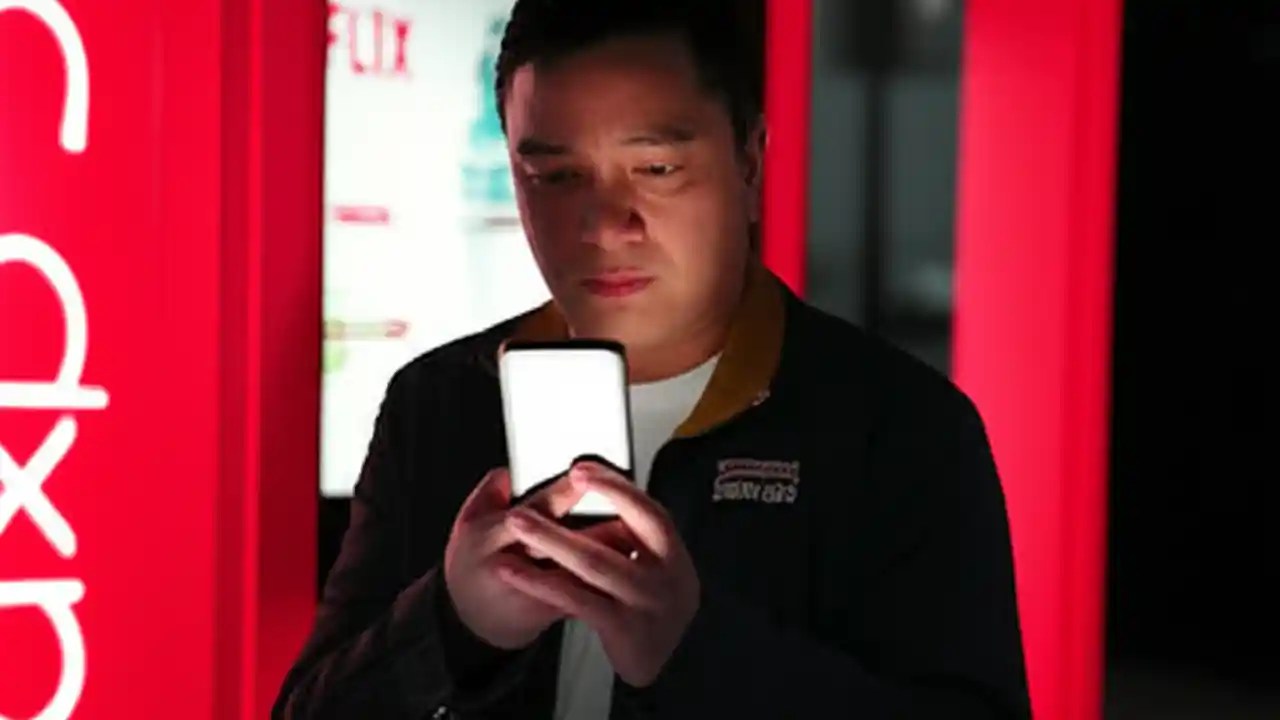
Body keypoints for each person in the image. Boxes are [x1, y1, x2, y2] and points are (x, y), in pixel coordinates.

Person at [274, 1, 1031, 718]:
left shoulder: (895, 427)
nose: (605, 224)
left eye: (657, 169)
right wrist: (454, 624)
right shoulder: (439, 402)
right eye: (556, 176)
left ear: (751, 163)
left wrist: (693, 653)